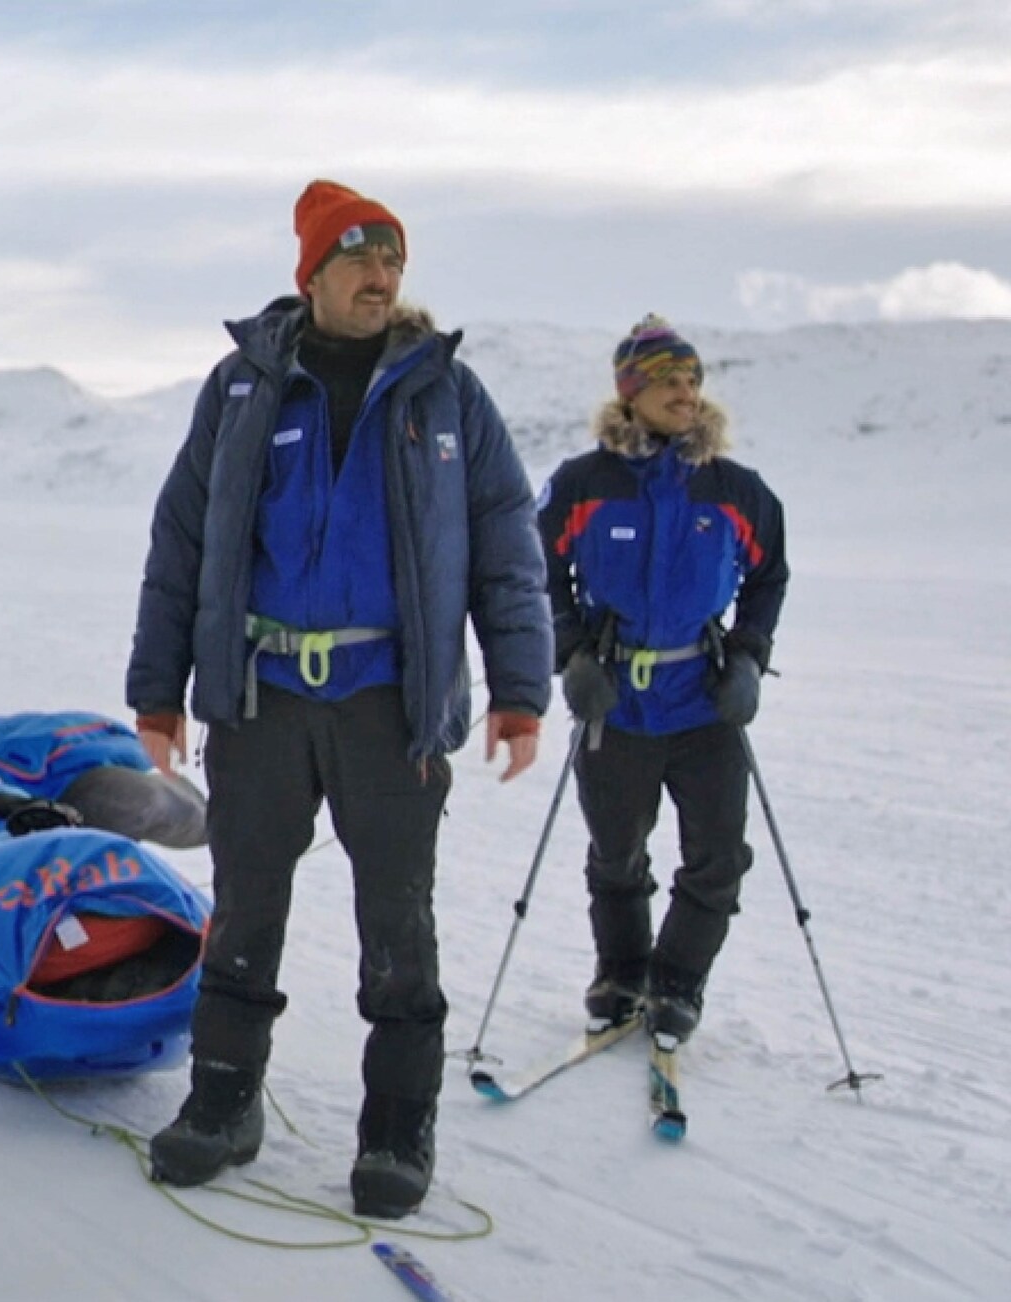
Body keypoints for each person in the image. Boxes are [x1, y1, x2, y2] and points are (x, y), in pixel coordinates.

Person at [123, 180, 551, 1218]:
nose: (380, 278)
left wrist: (519, 687)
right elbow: (181, 541)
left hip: (385, 704)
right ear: (307, 275)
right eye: (357, 261)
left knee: (396, 926)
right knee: (243, 910)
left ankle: (397, 1132)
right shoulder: (240, 388)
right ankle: (222, 1107)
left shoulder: (446, 395)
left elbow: (504, 545)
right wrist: (157, 688)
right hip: (262, 699)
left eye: (392, 262)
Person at [538, 316, 788, 1047]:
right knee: (617, 854)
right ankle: (621, 974)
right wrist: (574, 655)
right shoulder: (582, 484)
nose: (686, 393)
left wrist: (748, 657)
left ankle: (677, 983)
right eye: (668, 381)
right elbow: (537, 573)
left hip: (704, 704)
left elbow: (769, 577)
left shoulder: (737, 490)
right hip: (614, 706)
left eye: (692, 379)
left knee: (717, 857)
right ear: (631, 394)